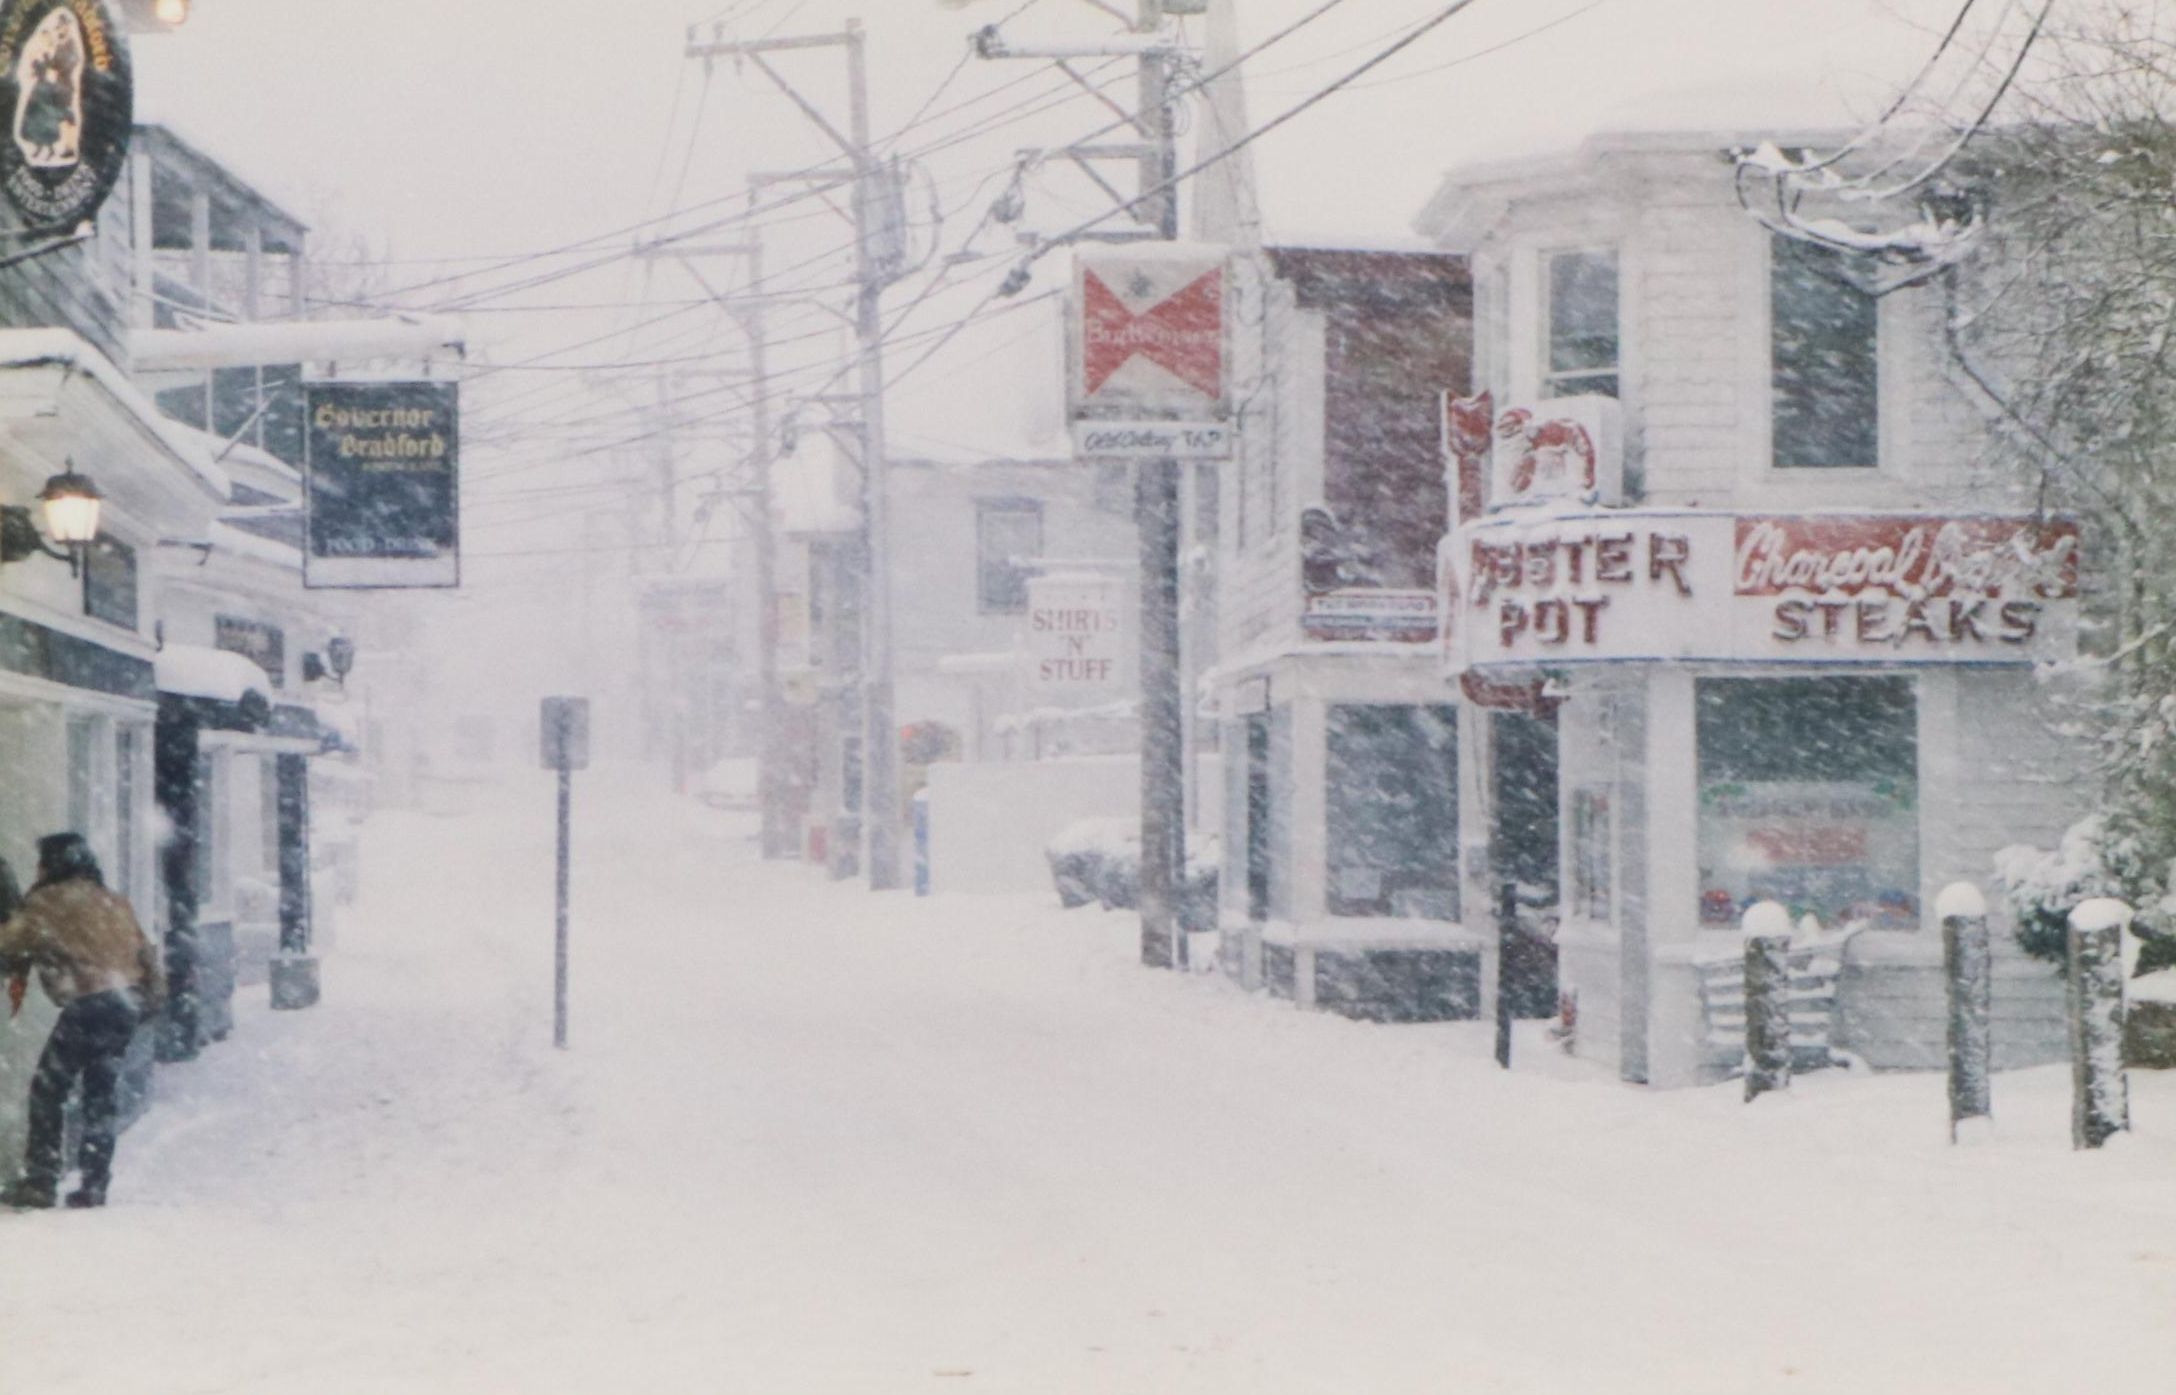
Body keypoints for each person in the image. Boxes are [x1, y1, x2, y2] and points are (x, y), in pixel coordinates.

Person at [0, 835, 165, 1210]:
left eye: (41, 861)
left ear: (52, 865)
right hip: (127, 1001)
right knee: (99, 1094)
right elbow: (147, 953)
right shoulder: (112, 900)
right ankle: (93, 1184)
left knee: (47, 1089)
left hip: (88, 1002)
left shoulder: (48, 902)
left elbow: (9, 943)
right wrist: (150, 1000)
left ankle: (41, 1181)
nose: (37, 869)